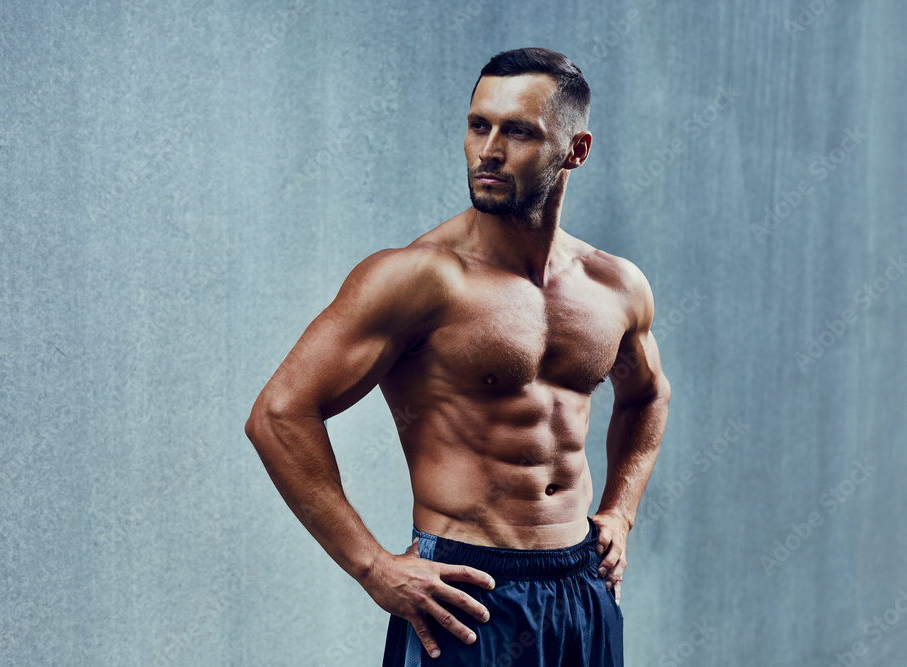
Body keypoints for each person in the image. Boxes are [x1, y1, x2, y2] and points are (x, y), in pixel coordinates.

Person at [246, 47, 670, 666]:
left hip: (581, 586)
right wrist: (373, 567)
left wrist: (621, 511)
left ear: (576, 150)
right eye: (479, 125)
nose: (489, 151)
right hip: (465, 596)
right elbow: (278, 415)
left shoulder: (614, 286)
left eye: (519, 131)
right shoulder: (418, 279)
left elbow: (646, 394)